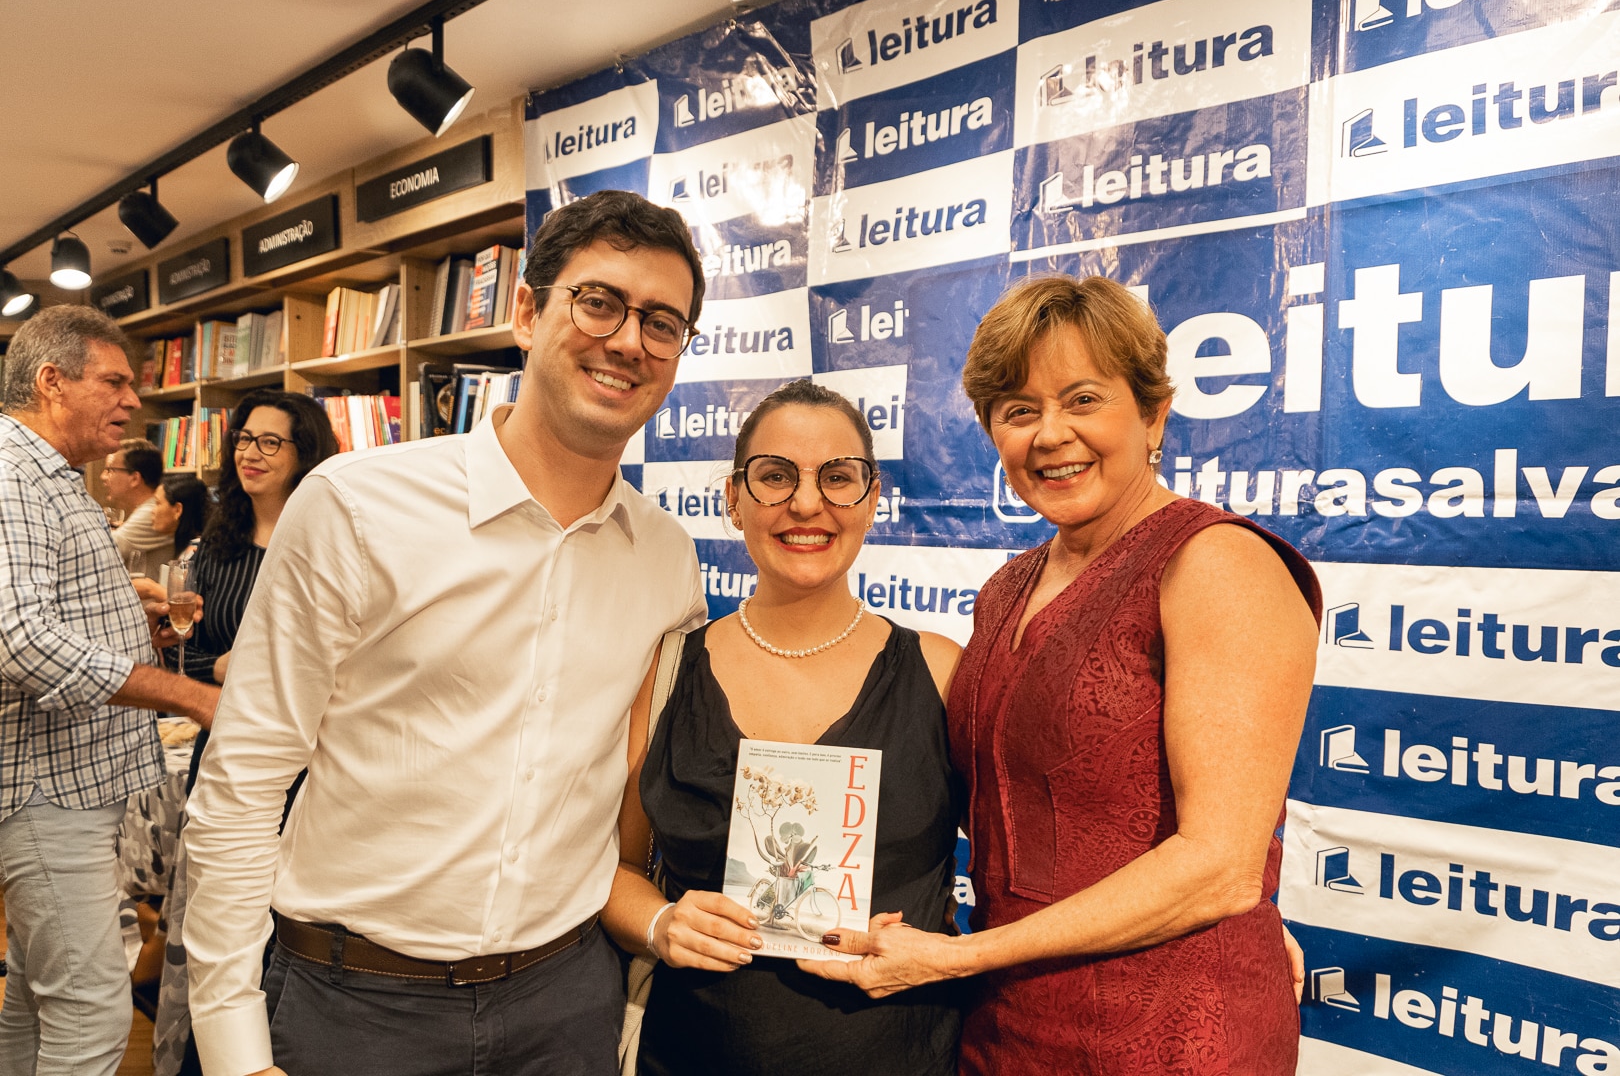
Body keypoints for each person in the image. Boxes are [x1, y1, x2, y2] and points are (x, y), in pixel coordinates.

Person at [183, 189, 709, 1076]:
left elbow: (634, 785)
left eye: (663, 322)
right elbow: (242, 784)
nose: (629, 340)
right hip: (352, 1007)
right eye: (600, 302)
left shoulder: (665, 558)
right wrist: (234, 1049)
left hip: (565, 1002)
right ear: (527, 310)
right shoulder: (354, 506)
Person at [803, 275, 1321, 1075]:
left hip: (1176, 1032)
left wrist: (959, 959)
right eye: (1018, 410)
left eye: (1082, 400)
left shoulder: (1219, 564)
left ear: (1153, 413)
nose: (1050, 435)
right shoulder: (1007, 587)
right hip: (1009, 1019)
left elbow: (1219, 869)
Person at [602, 380, 965, 1076]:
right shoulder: (671, 667)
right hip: (692, 1051)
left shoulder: (940, 673)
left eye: (838, 478)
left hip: (899, 1051)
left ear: (873, 497)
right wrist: (661, 922)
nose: (806, 504)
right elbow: (616, 867)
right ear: (733, 500)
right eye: (775, 477)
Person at [0, 304, 220, 1076]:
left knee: (34, 995)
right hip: (45, 793)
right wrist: (184, 694)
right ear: (52, 381)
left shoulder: (48, 474)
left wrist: (125, 607)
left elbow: (41, 605)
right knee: (92, 1011)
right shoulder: (12, 474)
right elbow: (18, 637)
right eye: (116, 382)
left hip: (66, 788)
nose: (133, 402)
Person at [150, 390, 337, 1076]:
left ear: (304, 453)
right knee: (221, 911)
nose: (251, 454)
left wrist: (240, 667)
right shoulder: (217, 544)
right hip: (221, 744)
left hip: (307, 762)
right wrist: (222, 664)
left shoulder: (326, 541)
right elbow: (180, 652)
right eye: (244, 440)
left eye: (270, 442)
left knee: (286, 914)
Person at [104, 436, 170, 577]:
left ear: (134, 478)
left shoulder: (152, 512)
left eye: (110, 470)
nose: (103, 477)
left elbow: (103, 551)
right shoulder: (145, 508)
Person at [150, 473, 211, 565]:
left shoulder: (194, 552)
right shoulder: (199, 546)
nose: (152, 511)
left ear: (178, 510)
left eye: (158, 503)